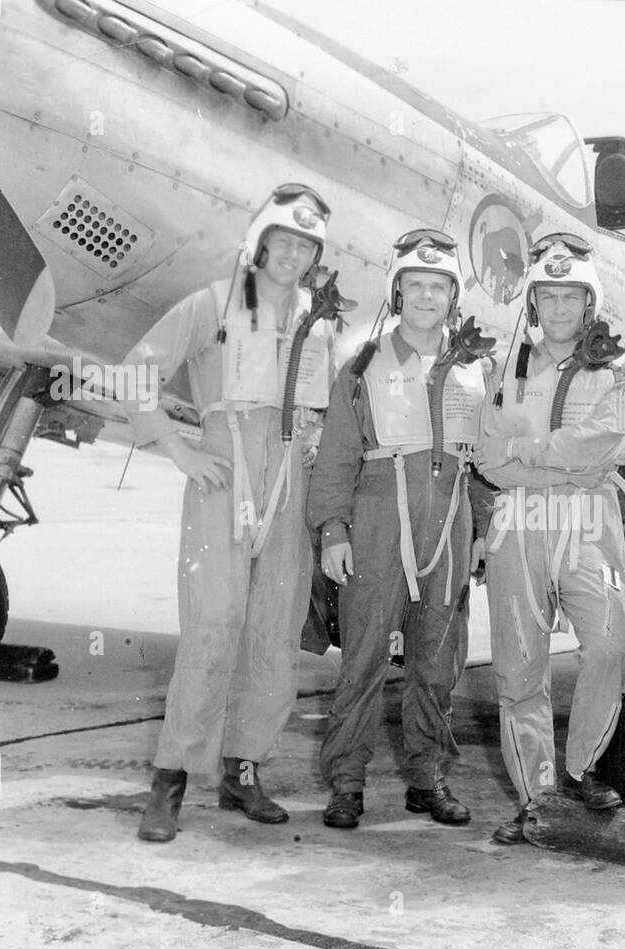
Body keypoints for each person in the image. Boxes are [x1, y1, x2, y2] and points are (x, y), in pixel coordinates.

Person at [126, 184, 339, 842]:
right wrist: (177, 449)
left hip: (291, 484)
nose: (293, 255)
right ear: (261, 242)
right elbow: (135, 373)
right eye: (285, 241)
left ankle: (244, 770)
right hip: (223, 478)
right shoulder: (211, 305)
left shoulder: (319, 321)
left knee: (276, 633)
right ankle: (173, 776)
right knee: (213, 623)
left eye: (307, 246)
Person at [308, 229, 487, 829]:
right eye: (417, 285)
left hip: (450, 519)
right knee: (361, 661)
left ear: (452, 298)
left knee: (437, 661)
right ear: (399, 292)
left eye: (439, 287)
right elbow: (336, 454)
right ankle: (347, 782)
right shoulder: (363, 366)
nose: (427, 297)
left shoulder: (473, 371)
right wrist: (334, 529)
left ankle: (427, 777)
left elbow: (483, 461)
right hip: (379, 517)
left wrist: (481, 528)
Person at [473, 233, 625, 845]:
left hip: (588, 520)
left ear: (589, 303)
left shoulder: (619, 372)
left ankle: (585, 766)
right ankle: (537, 798)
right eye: (549, 296)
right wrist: (550, 461)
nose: (560, 309)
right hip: (518, 522)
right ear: (534, 303)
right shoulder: (502, 368)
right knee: (520, 666)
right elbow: (488, 459)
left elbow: (604, 444)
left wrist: (528, 451)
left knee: (609, 641)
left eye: (572, 296)